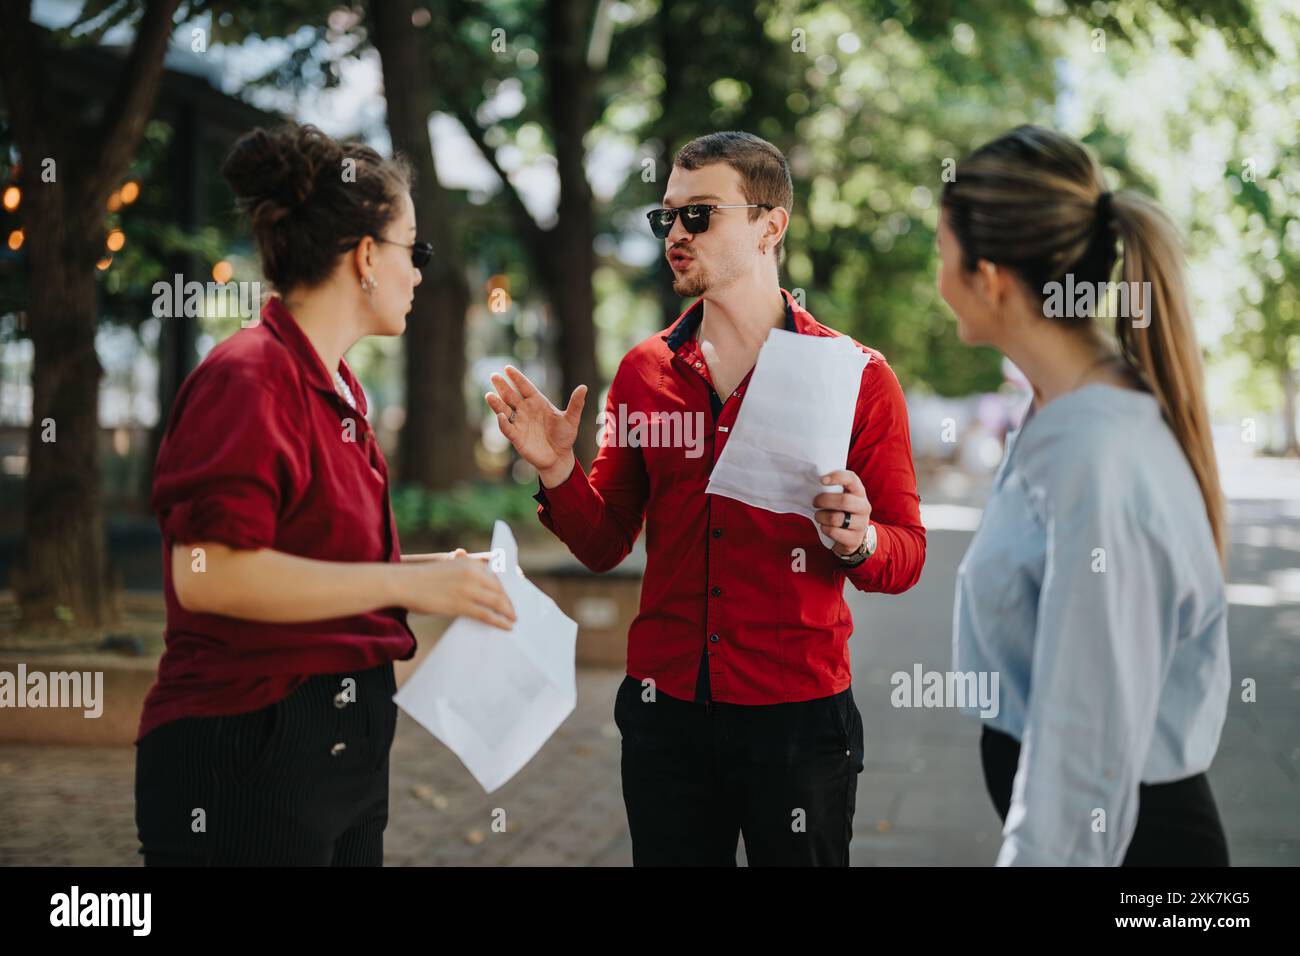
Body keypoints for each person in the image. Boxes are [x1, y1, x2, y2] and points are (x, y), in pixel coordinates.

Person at [487, 131, 926, 866]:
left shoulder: (855, 375)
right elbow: (604, 545)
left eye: (700, 215)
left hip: (797, 714)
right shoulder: (644, 371)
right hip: (666, 717)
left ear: (769, 225)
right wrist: (559, 471)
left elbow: (906, 550)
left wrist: (860, 538)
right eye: (667, 217)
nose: (676, 235)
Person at [135, 123, 515, 866]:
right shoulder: (249, 376)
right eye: (415, 251)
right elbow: (210, 574)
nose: (419, 274)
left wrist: (441, 576)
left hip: (341, 745)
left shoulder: (336, 391)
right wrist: (407, 582)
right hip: (249, 747)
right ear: (369, 257)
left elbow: (314, 562)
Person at [939, 125, 1231, 865]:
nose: (937, 280)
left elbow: (1083, 754)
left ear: (991, 278)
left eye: (942, 255)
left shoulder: (1095, 455)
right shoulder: (1069, 414)